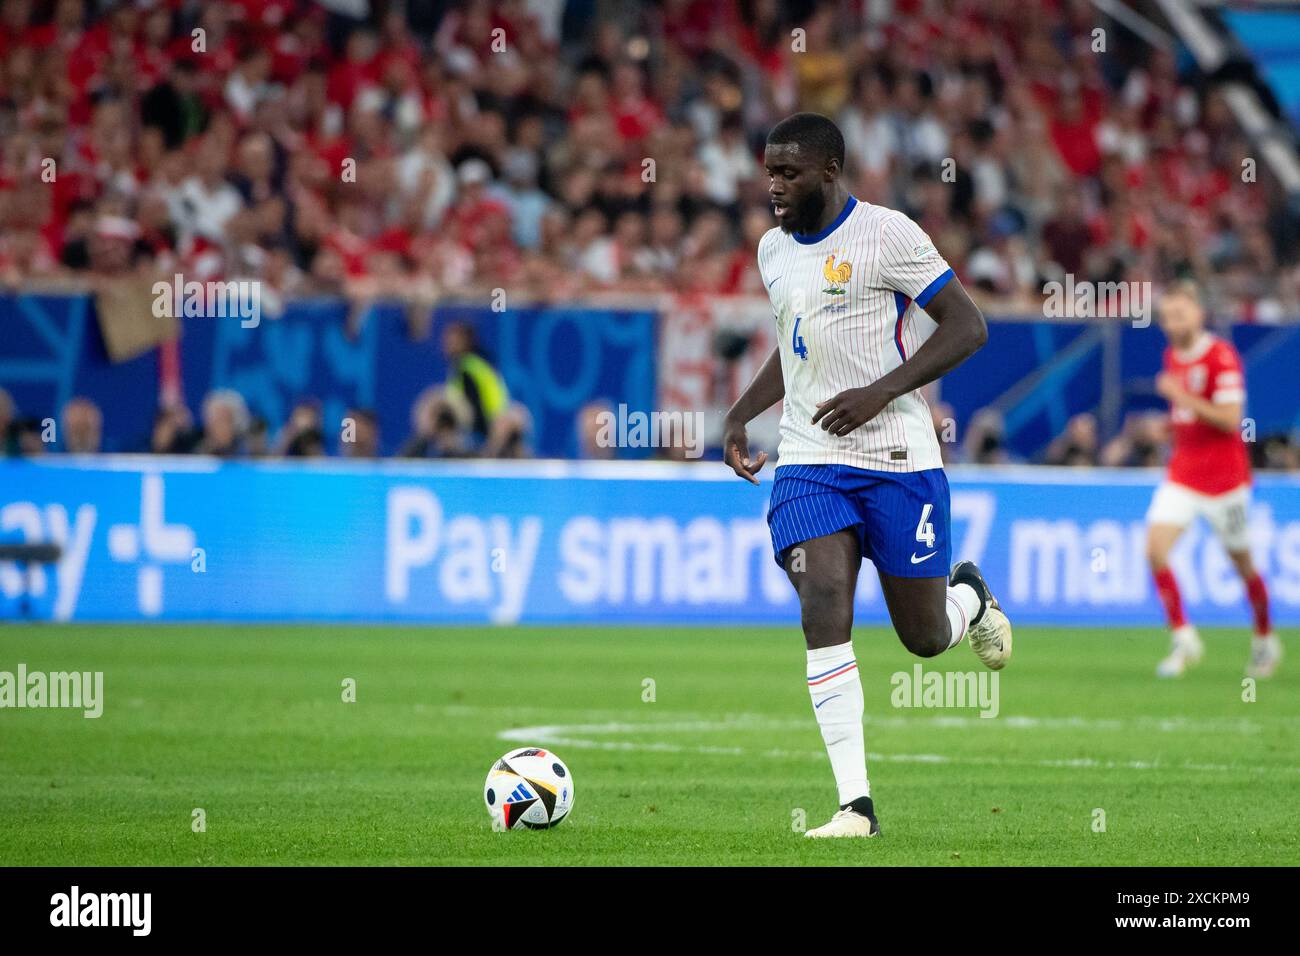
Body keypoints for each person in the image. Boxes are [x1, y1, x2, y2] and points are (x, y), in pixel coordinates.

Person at [722, 113, 1012, 840]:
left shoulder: (889, 235)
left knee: (922, 639)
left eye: (788, 173)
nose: (774, 186)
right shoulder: (772, 251)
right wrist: (741, 414)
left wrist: (882, 389)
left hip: (896, 460)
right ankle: (856, 806)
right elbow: (797, 349)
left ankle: (968, 600)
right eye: (769, 172)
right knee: (823, 599)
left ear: (829, 171)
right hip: (811, 458)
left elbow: (967, 327)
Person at [1146, 282, 1280, 679]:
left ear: (1199, 314)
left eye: (1179, 314)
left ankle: (1264, 639)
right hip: (1184, 473)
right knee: (1155, 550)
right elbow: (1189, 419)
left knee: (1243, 564)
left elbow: (1229, 419)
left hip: (1225, 480)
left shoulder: (1221, 356)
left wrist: (1180, 398)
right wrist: (1168, 428)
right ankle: (1184, 638)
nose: (1172, 323)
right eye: (1167, 317)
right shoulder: (1173, 356)